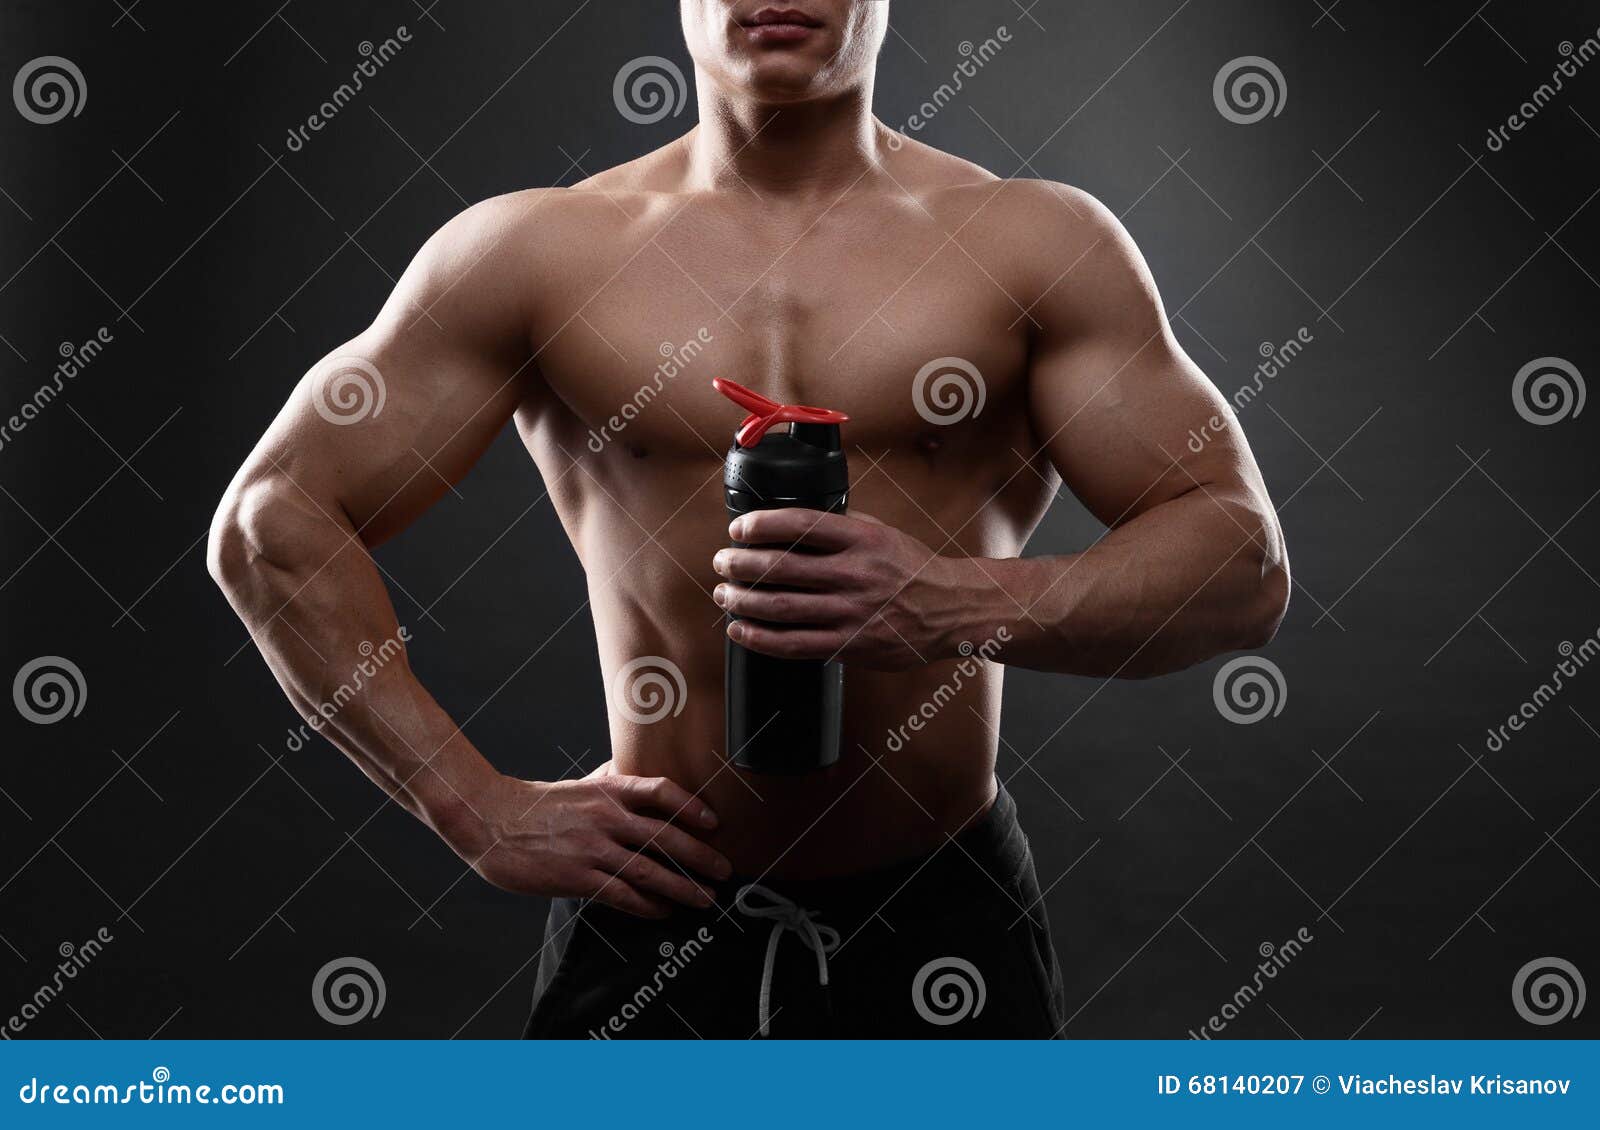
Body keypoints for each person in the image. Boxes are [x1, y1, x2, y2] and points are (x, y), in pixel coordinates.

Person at [208, 0, 1289, 1037]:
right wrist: (471, 805)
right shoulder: (535, 253)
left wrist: (958, 600)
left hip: (942, 913)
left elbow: (1240, 561)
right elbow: (272, 520)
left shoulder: (1034, 245)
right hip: (647, 914)